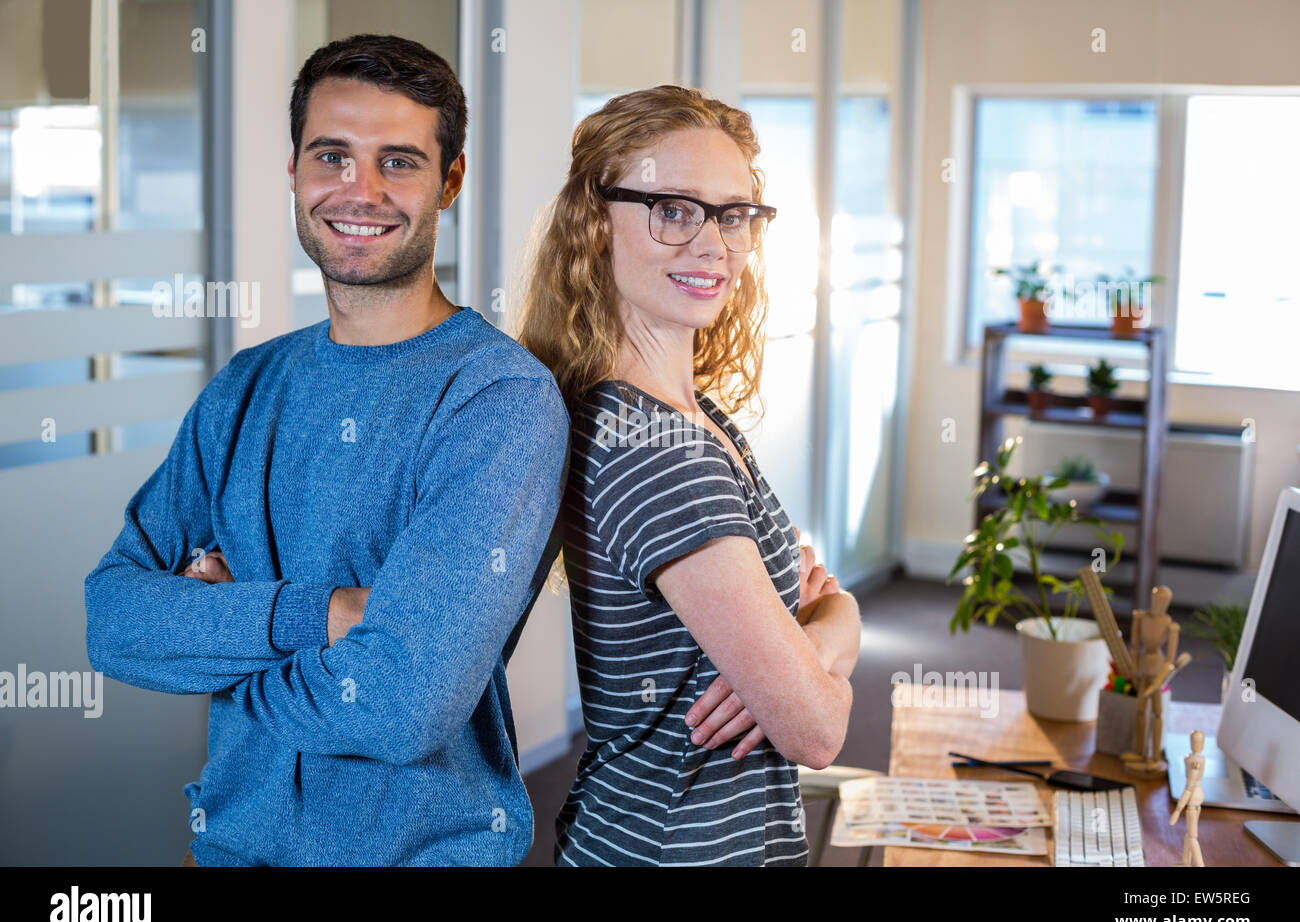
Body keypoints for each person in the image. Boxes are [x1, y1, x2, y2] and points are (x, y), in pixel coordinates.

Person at [84, 34, 569, 866]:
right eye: (333, 156)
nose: (361, 190)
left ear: (450, 180)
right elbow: (113, 620)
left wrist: (219, 640)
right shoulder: (246, 388)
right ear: (295, 170)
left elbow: (400, 705)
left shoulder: (498, 401)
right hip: (233, 849)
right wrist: (330, 613)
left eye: (400, 162)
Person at [517, 85, 860, 866]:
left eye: (734, 213)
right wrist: (836, 631)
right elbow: (816, 729)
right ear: (594, 222)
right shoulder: (659, 449)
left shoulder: (684, 411)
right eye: (674, 209)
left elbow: (803, 633)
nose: (716, 245)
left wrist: (820, 633)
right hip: (672, 843)